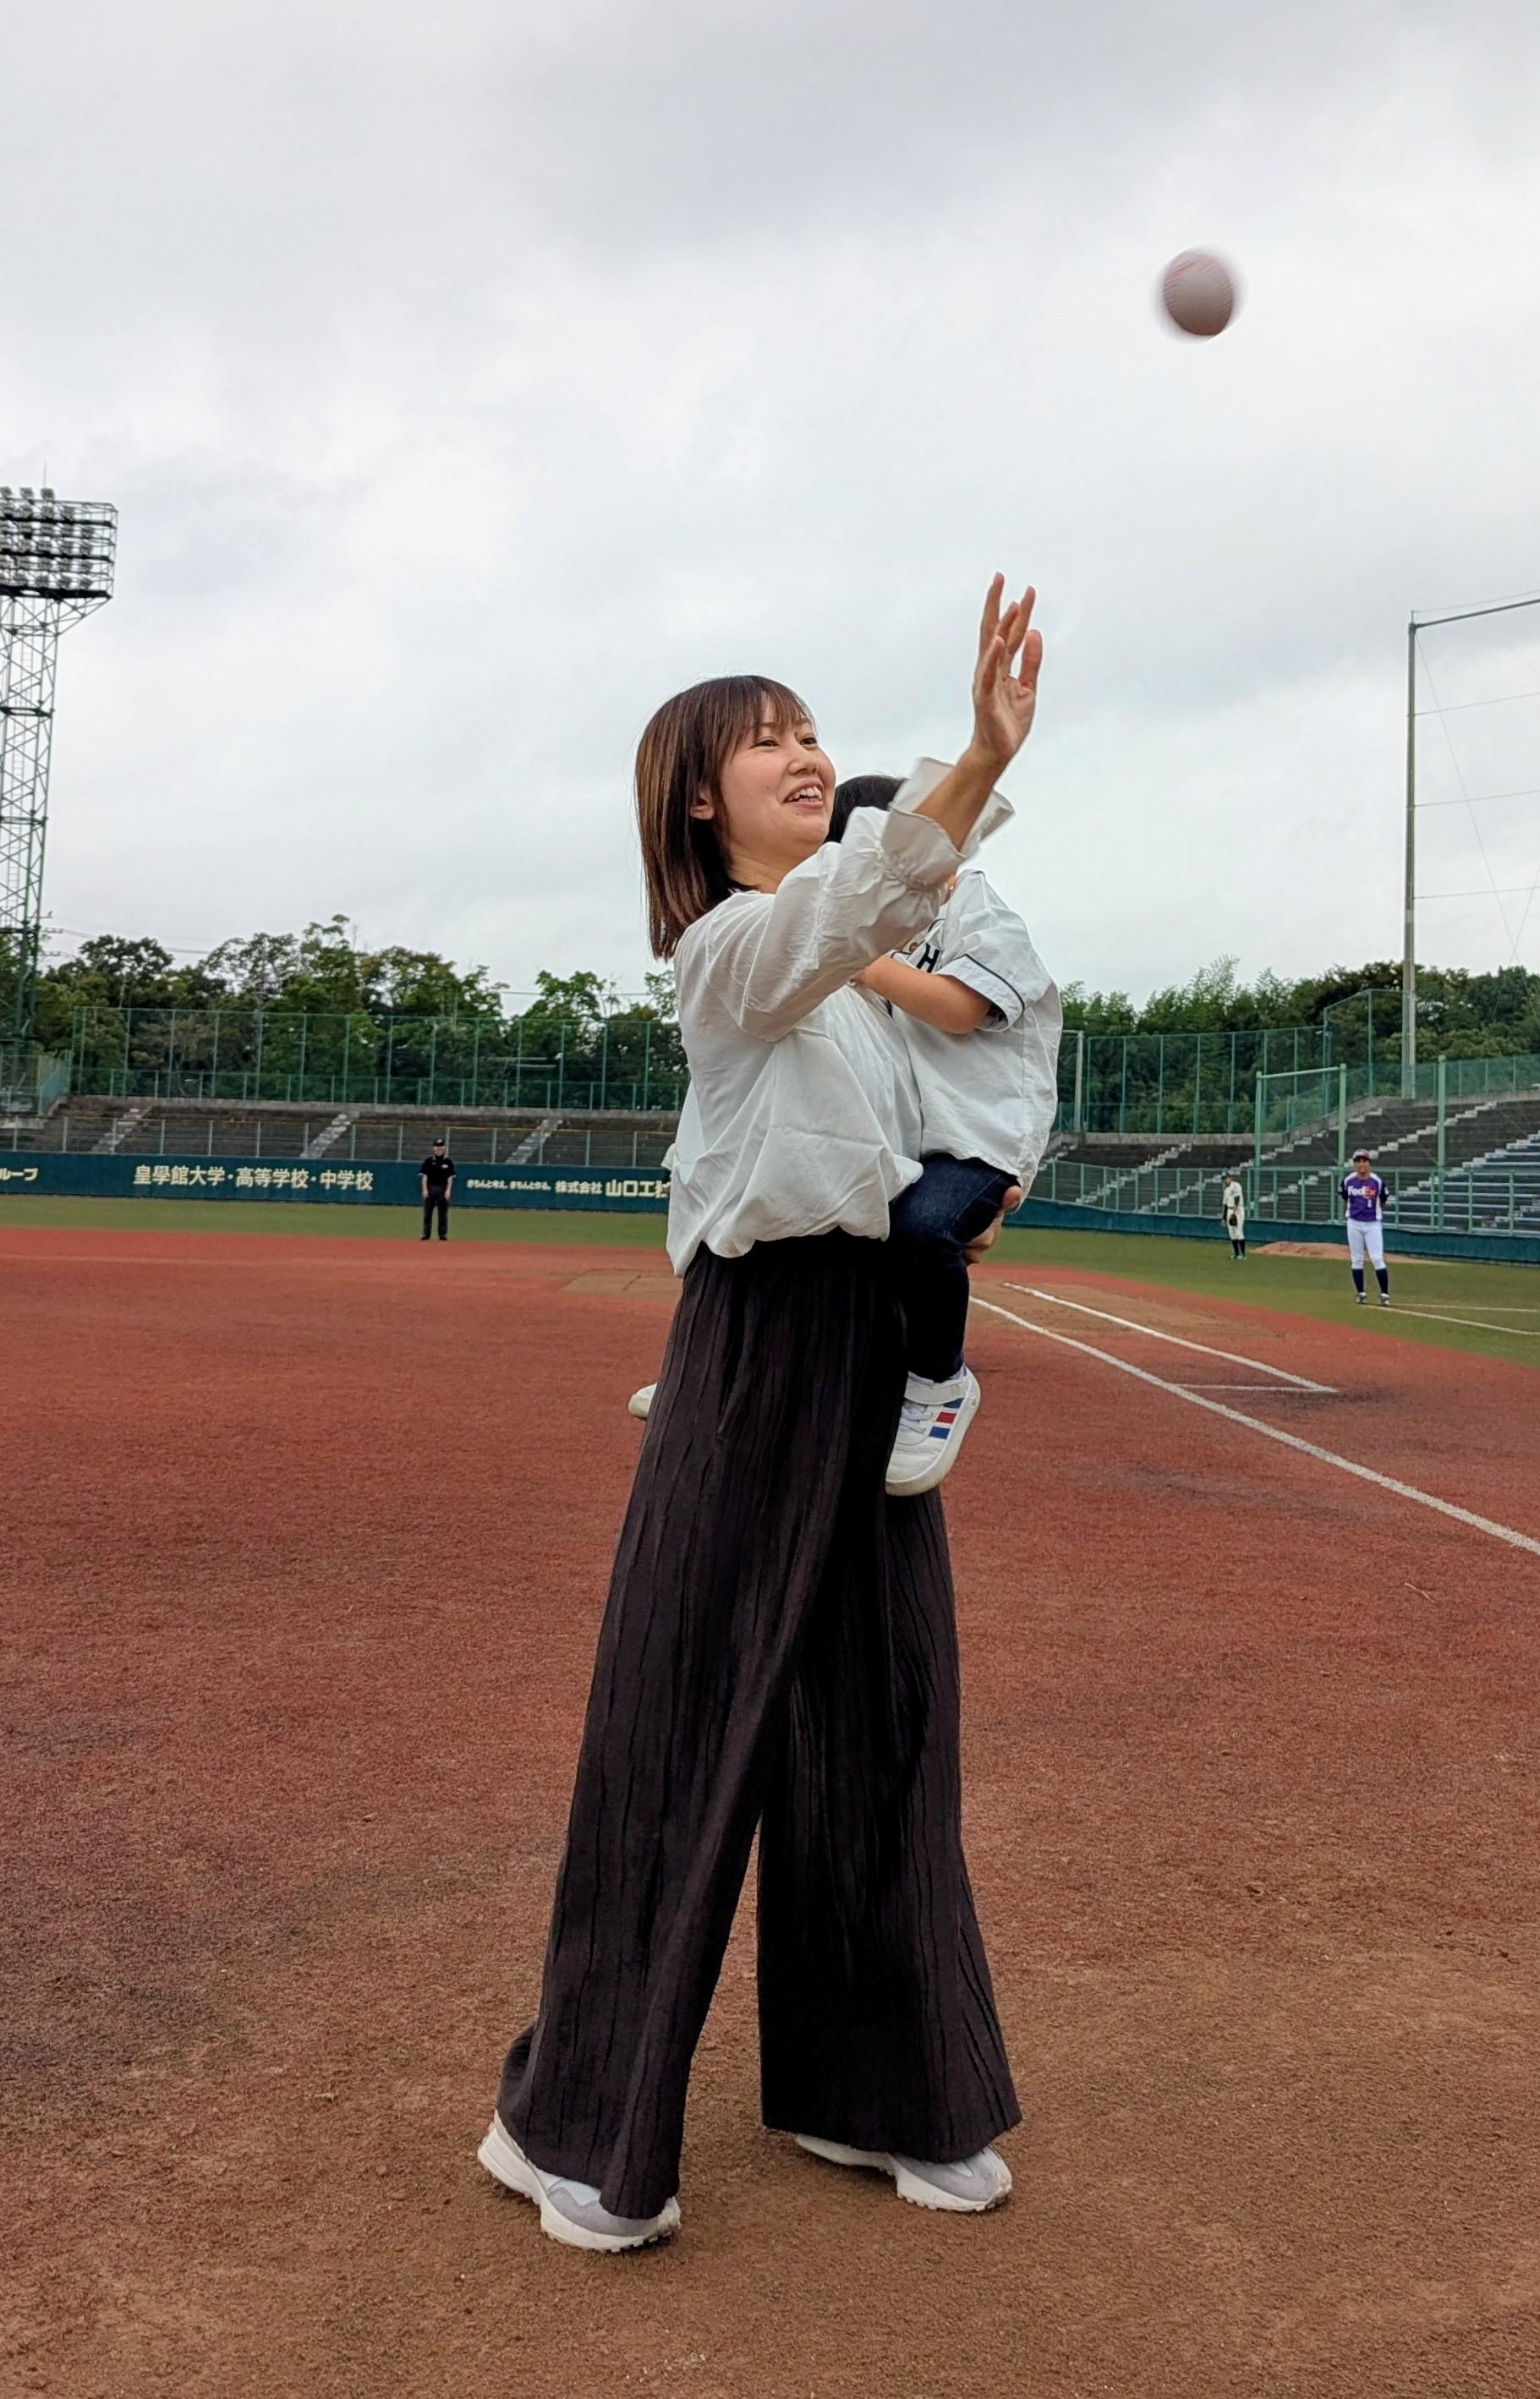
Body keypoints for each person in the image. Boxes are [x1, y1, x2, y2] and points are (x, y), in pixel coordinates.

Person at [480, 578, 1039, 2256]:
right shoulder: (730, 953)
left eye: (810, 728)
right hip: (754, 1345)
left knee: (886, 1725)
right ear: (697, 803)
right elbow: (843, 908)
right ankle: (570, 2118)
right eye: (763, 741)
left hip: (869, 1336)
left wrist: (962, 1194)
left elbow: (941, 1086)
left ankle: (875, 2090)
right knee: (682, 1718)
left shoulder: (861, 986)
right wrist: (975, 761)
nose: (803, 752)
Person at [825, 774, 1061, 1495]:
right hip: (907, 1135)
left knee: (922, 1231)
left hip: (977, 1139)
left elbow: (961, 1008)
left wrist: (858, 960)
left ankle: (939, 1381)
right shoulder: (878, 927)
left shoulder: (974, 907)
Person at [1340, 1148, 1391, 1306]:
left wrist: (1375, 1213)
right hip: (1354, 1222)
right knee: (1356, 1259)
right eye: (1358, 1161)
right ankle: (1361, 1293)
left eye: (1364, 1161)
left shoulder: (1377, 1181)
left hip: (1372, 1223)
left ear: (1369, 1163)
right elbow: (1345, 1198)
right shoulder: (1349, 1181)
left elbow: (1383, 1201)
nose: (1361, 1164)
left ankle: (1384, 1294)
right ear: (1354, 1164)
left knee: (1377, 1258)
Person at [419, 1137, 455, 1241]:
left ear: (445, 1148)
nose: (439, 1148)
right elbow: (424, 1177)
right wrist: (425, 1190)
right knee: (428, 1213)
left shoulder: (448, 1162)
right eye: (437, 1146)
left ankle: (442, 1234)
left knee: (443, 1213)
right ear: (434, 1148)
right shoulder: (429, 1161)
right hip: (431, 1188)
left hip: (443, 1188)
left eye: (441, 1146)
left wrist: (448, 1190)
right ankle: (426, 1234)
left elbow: (450, 1178)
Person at [1220, 1169, 1246, 1260]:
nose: (1224, 1180)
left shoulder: (1236, 1185)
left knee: (1239, 1232)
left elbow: (1237, 1199)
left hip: (1238, 1209)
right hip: (1230, 1210)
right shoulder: (1226, 1190)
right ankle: (1236, 1253)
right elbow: (1226, 1205)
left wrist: (1234, 1213)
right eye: (1223, 1178)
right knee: (1232, 1234)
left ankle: (1243, 1254)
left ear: (1230, 1178)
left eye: (1226, 1178)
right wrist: (1224, 1218)